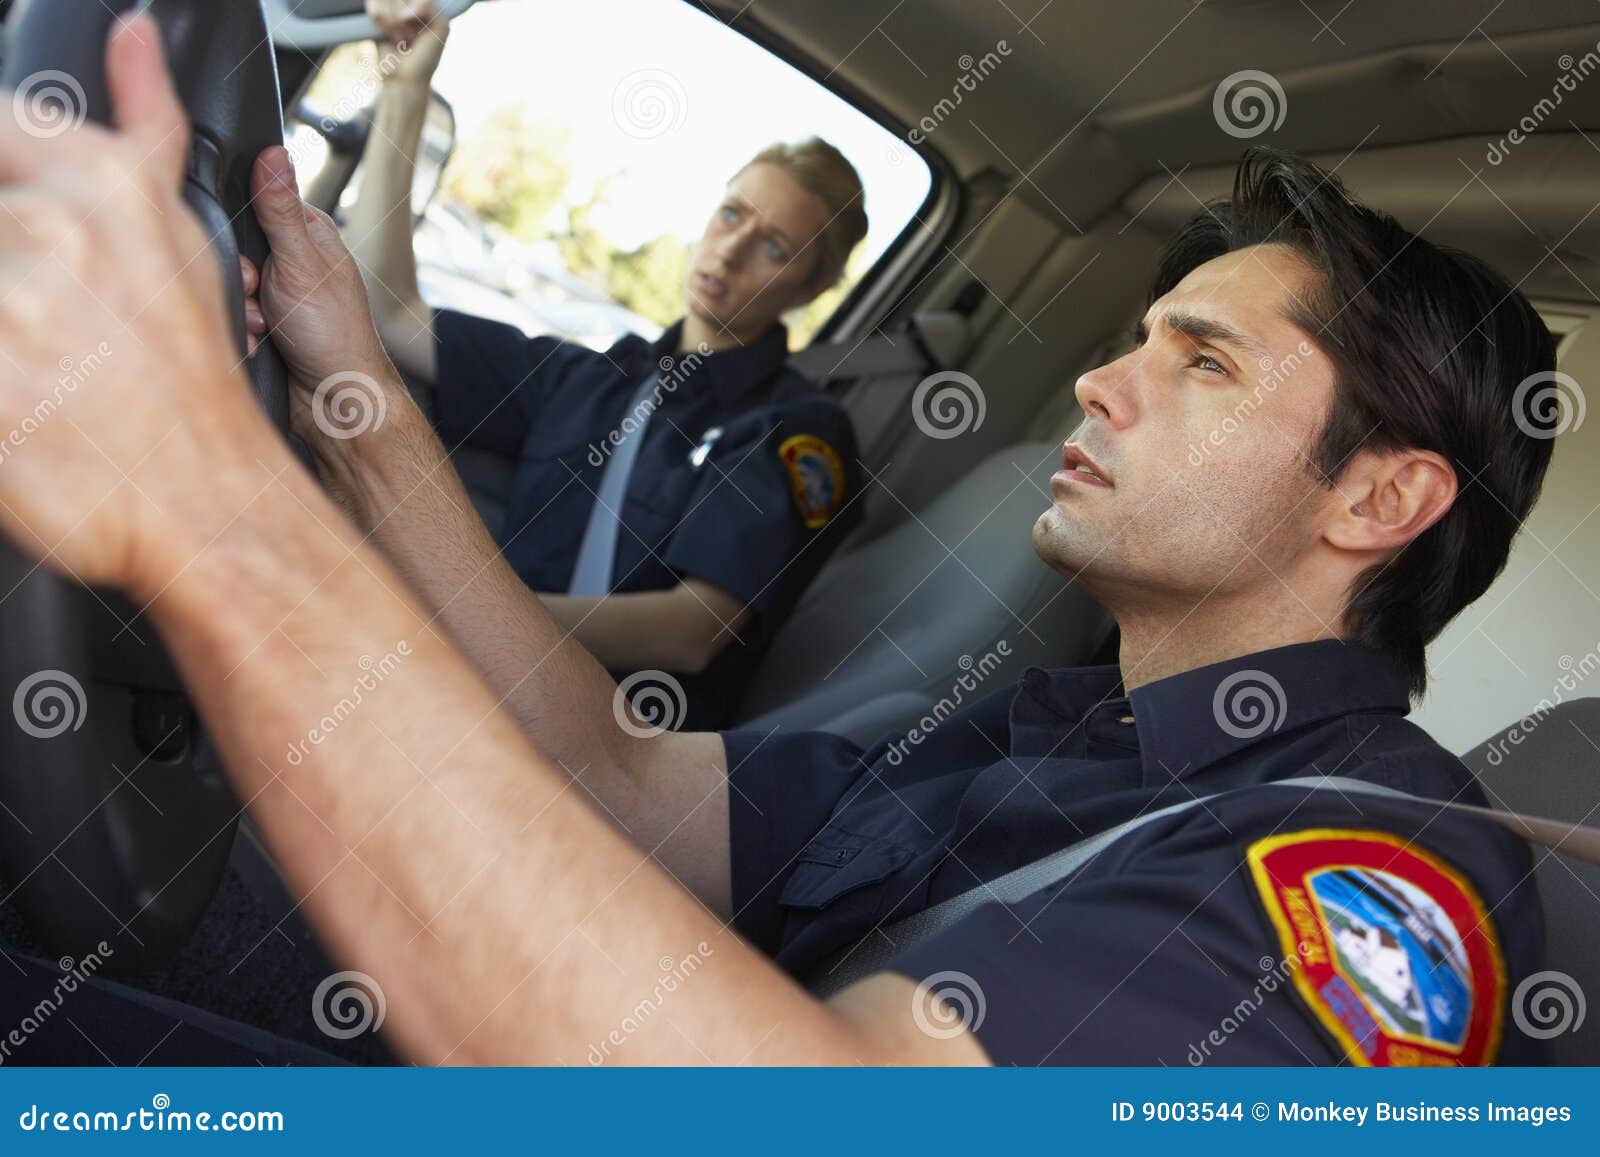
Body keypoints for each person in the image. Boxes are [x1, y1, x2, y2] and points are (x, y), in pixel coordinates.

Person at [0, 17, 1555, 1065]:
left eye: (1201, 361)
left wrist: (217, 520)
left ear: (1377, 503)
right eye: (1137, 336)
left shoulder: (1381, 878)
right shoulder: (1063, 736)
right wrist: (333, 361)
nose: (1101, 377)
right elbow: (609, 774)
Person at [321, 0, 868, 728]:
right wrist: (405, 88)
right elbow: (388, 311)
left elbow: (692, 632)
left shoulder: (798, 427)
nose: (730, 251)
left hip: (601, 749)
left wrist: (466, 615)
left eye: (775, 247)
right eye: (732, 214)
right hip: (468, 692)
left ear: (812, 287)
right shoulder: (590, 378)